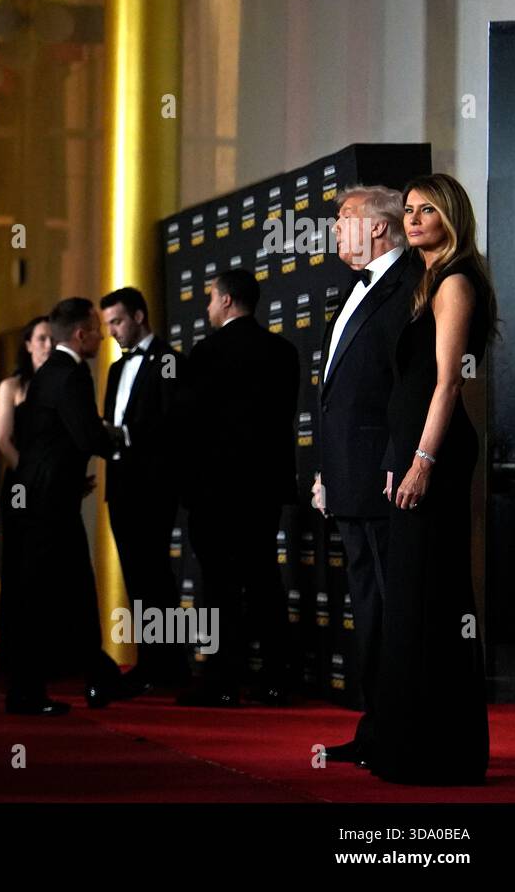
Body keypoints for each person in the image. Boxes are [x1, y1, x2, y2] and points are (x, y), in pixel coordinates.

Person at [371, 173, 496, 785]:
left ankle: (439, 752)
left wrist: (423, 461)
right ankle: (414, 743)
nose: (413, 219)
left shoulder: (455, 281)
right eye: (409, 210)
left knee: (434, 600)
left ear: (451, 217)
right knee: (414, 602)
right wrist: (403, 452)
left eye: (427, 210)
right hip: (418, 452)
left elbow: (447, 383)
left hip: (438, 460)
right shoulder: (424, 283)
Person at [312, 186, 422, 767]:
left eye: (343, 217)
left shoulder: (409, 286)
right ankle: (376, 727)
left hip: (384, 481)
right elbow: (339, 398)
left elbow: (405, 387)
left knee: (387, 606)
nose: (333, 227)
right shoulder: (356, 290)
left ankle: (395, 731)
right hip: (349, 481)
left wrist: (393, 460)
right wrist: (326, 474)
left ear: (379, 228)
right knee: (368, 605)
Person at [178, 269, 298, 707]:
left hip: (215, 492)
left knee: (219, 587)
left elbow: (190, 427)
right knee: (264, 579)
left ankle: (223, 680)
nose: (207, 307)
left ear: (227, 300)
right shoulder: (283, 352)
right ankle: (276, 680)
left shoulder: (206, 353)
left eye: (210, 298)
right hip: (264, 489)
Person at [6, 297, 125, 714]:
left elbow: (49, 436)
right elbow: (86, 436)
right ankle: (42, 690)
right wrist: (121, 439)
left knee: (58, 592)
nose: (102, 335)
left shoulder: (48, 372)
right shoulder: (72, 373)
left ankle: (96, 677)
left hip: (41, 496)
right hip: (49, 504)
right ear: (80, 335)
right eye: (96, 329)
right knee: (57, 594)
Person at [100, 287, 188, 695]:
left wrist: (126, 433)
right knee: (136, 577)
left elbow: (175, 425)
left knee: (154, 576)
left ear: (139, 315)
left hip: (153, 487)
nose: (112, 331)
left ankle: (167, 665)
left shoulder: (169, 360)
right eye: (107, 325)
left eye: (117, 321)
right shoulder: (116, 370)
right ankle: (149, 663)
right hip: (119, 485)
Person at [0, 315, 52, 676]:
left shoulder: (63, 383)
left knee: (49, 572)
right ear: (28, 344)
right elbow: (3, 439)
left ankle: (50, 655)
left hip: (51, 489)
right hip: (19, 486)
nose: (47, 345)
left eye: (51, 338)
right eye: (41, 338)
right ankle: (14, 659)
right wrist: (32, 478)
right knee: (17, 570)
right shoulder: (11, 385)